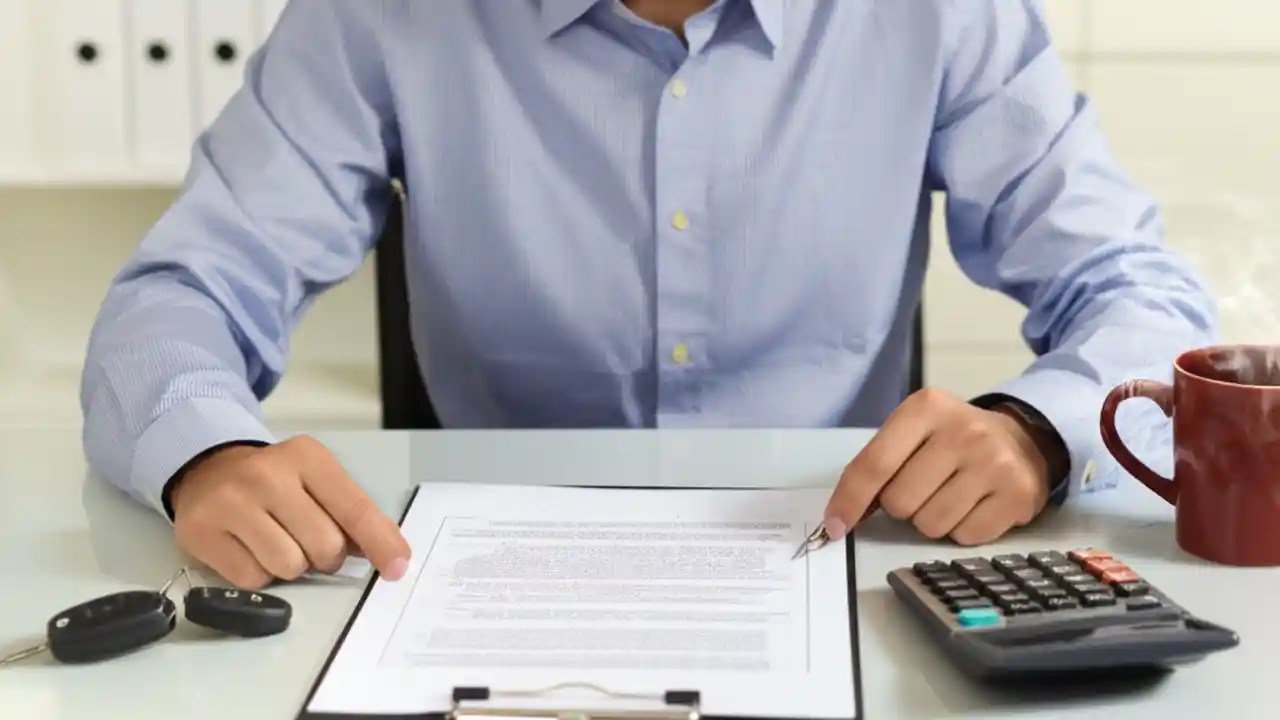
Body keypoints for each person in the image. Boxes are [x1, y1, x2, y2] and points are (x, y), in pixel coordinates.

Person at [81, 0, 1216, 590]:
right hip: (474, 589)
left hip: (826, 575)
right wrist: (205, 456)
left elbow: (1134, 292)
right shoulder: (382, 15)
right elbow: (182, 291)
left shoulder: (938, 15)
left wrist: (1035, 432)